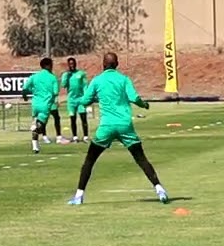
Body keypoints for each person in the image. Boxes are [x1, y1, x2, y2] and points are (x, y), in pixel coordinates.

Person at [67, 52, 168, 205]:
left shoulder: (97, 80)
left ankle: (79, 196)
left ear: (103, 64)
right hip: (125, 125)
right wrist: (144, 104)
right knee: (141, 159)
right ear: (117, 64)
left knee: (90, 160)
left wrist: (85, 99)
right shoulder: (124, 79)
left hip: (106, 126)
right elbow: (134, 98)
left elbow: (85, 101)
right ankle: (160, 189)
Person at [21, 57, 61, 154]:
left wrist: (25, 96)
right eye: (51, 64)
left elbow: (25, 87)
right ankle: (36, 127)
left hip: (35, 104)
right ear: (48, 66)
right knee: (40, 126)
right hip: (45, 105)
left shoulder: (35, 76)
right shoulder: (52, 78)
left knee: (35, 122)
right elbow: (55, 92)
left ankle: (35, 147)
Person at [62, 57, 91, 143]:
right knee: (73, 118)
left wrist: (86, 97)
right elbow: (63, 85)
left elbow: (85, 85)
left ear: (75, 64)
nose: (72, 65)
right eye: (70, 64)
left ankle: (85, 136)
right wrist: (67, 75)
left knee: (83, 118)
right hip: (71, 100)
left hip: (80, 99)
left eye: (73, 63)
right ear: (68, 65)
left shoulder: (81, 74)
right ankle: (75, 137)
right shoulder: (66, 75)